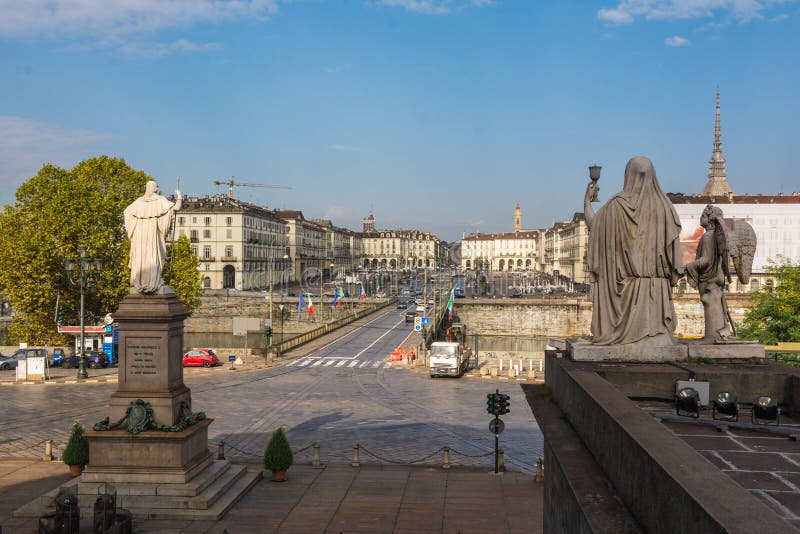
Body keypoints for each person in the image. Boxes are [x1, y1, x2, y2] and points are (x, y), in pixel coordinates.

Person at [583, 157, 683, 347]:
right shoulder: (665, 207)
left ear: (627, 175)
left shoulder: (617, 205)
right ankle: (656, 335)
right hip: (657, 291)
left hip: (625, 290)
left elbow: (593, 226)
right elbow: (673, 252)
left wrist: (587, 201)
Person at [123, 181, 182, 294]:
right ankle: (153, 281)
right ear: (154, 188)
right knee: (154, 256)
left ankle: (140, 281)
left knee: (141, 258)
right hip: (153, 234)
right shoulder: (160, 200)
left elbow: (127, 213)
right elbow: (176, 208)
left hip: (140, 236)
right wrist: (179, 196)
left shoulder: (138, 202)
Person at [685, 205, 730, 342]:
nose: (700, 217)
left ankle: (713, 337)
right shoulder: (714, 236)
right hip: (713, 279)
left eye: (703, 215)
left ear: (710, 219)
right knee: (712, 304)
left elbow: (705, 261)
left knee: (711, 305)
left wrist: (687, 266)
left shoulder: (707, 237)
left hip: (708, 280)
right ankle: (715, 336)